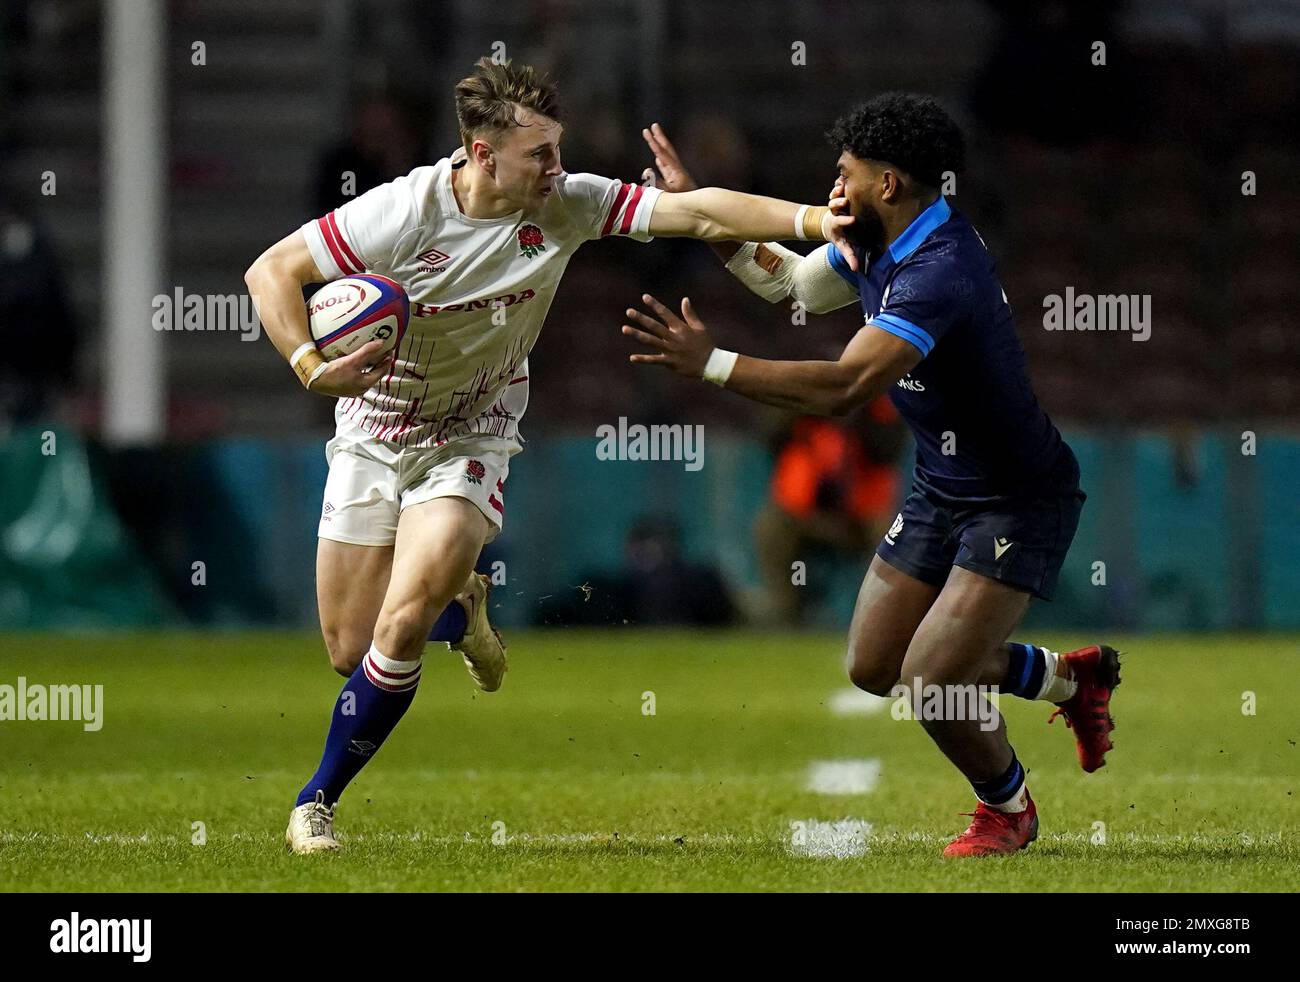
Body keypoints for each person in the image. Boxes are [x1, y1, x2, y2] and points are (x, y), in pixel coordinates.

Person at [244, 58, 855, 854]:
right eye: (541, 154)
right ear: (481, 153)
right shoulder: (404, 211)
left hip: (473, 430)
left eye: (557, 150)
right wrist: (311, 366)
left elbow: (700, 213)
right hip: (375, 424)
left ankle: (315, 802)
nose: (558, 168)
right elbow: (271, 272)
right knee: (347, 649)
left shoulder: (566, 206)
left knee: (399, 620)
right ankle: (462, 609)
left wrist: (815, 219)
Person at [623, 96, 1120, 857]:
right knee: (874, 665)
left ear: (887, 183)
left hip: (1017, 499)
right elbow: (791, 285)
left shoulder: (940, 269)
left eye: (845, 172)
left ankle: (1008, 809)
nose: (835, 185)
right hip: (943, 486)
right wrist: (702, 213)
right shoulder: (873, 237)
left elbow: (843, 388)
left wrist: (712, 365)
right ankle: (1065, 680)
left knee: (930, 680)